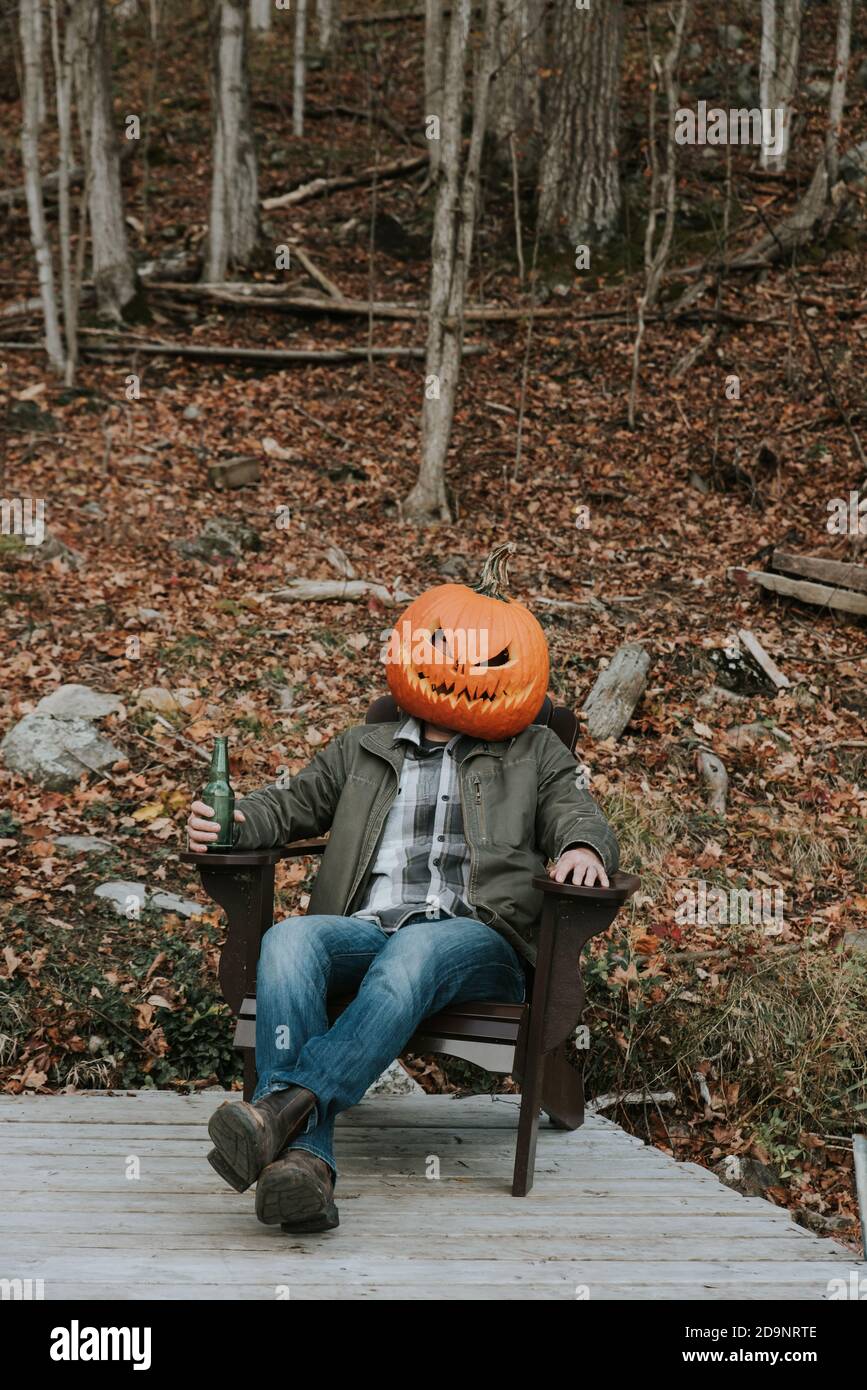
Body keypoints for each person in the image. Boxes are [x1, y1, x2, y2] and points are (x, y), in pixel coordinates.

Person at [186, 553, 619, 1233]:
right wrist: (234, 821)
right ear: (414, 650)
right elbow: (289, 807)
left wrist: (583, 848)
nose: (462, 671)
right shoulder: (363, 746)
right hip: (365, 926)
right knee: (290, 940)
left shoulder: (534, 752)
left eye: (490, 658)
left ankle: (279, 1108)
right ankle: (303, 1163)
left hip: (475, 936)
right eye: (446, 648)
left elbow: (576, 812)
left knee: (413, 953)